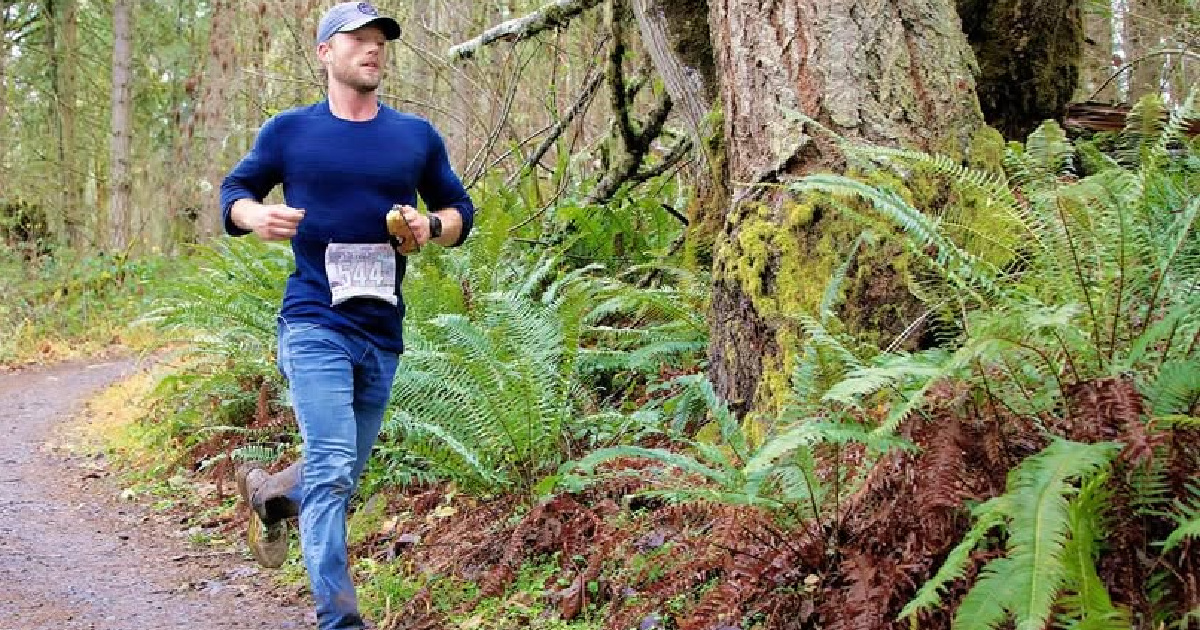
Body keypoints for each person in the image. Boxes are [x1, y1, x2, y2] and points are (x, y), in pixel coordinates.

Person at [219, 2, 475, 628]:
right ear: (324, 53)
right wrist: (255, 216)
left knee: (337, 476)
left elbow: (459, 209)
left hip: (382, 331)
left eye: (379, 39)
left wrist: (431, 225)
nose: (372, 49)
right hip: (312, 323)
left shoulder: (414, 136)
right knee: (332, 469)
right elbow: (234, 193)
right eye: (356, 39)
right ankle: (339, 619)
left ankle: (272, 493)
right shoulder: (290, 132)